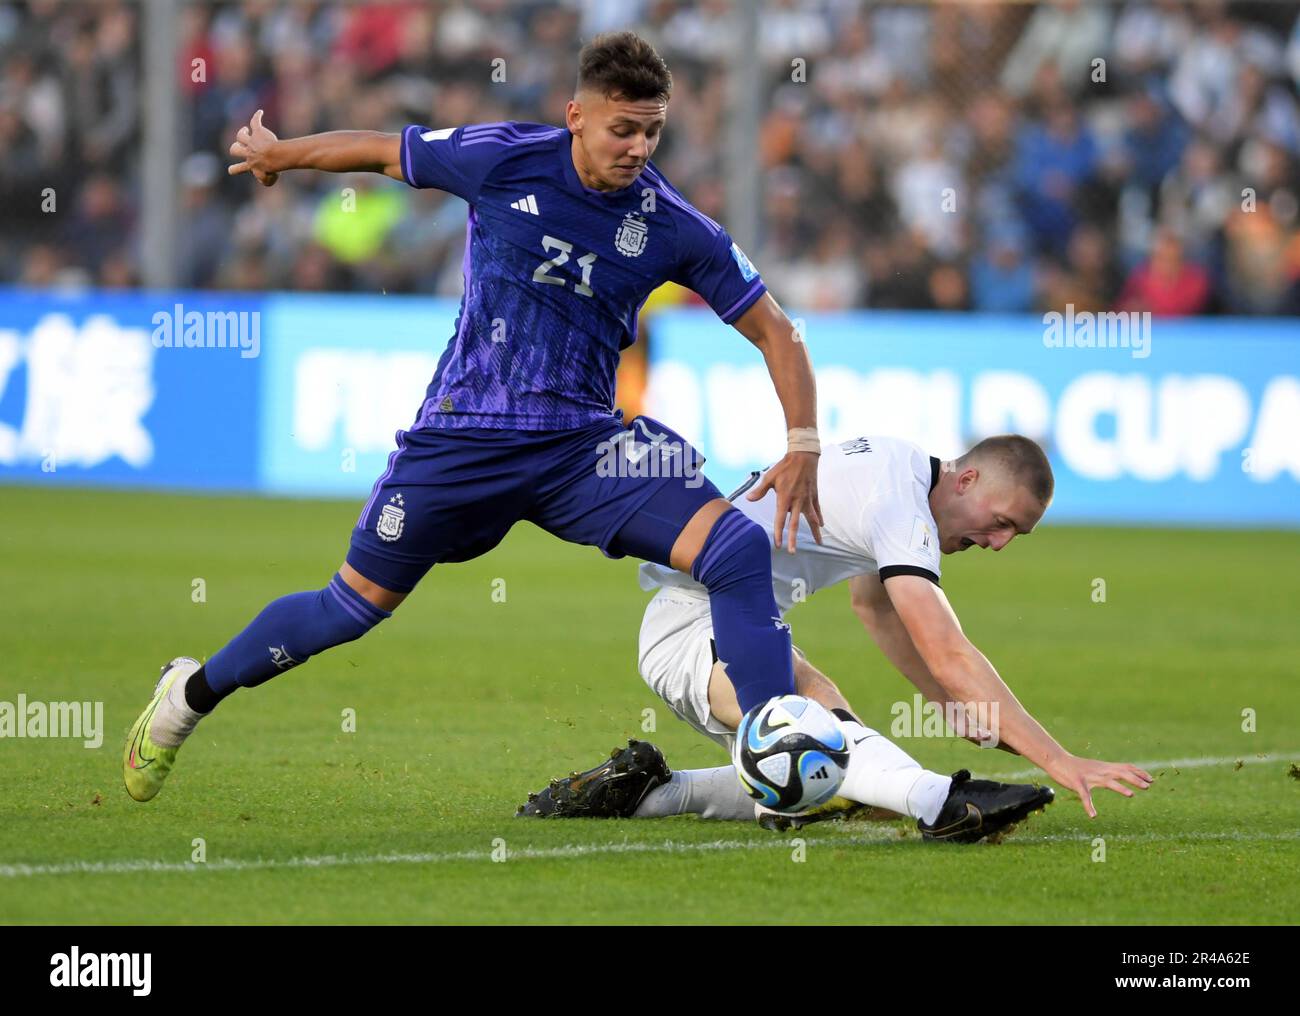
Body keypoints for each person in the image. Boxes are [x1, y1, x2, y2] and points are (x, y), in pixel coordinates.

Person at [123, 32, 824, 803]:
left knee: (734, 550)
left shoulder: (673, 224)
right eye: (622, 129)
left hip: (582, 447)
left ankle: (769, 762)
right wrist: (281, 154)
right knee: (348, 610)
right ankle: (188, 698)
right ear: (576, 117)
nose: (638, 147)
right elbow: (384, 152)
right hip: (464, 437)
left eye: (652, 131)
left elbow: (776, 332)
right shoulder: (504, 157)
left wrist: (802, 442)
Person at [519, 435, 1153, 843]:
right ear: (966, 481)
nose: (998, 543)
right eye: (1001, 522)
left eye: (1017, 535)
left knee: (829, 760)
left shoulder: (899, 474)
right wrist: (1057, 759)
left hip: (724, 620)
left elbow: (872, 606)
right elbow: (949, 649)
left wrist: (946, 701)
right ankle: (945, 805)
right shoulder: (901, 505)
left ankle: (651, 792)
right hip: (690, 624)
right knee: (820, 739)